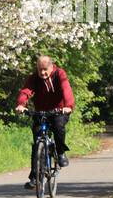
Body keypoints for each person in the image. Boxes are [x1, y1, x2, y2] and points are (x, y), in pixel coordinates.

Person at [14, 55, 74, 188]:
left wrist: (68, 106)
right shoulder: (34, 77)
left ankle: (60, 152)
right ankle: (35, 178)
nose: (42, 73)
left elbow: (66, 89)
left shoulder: (59, 74)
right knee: (37, 143)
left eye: (45, 69)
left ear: (51, 66)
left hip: (59, 111)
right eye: (40, 69)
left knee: (59, 127)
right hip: (41, 112)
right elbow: (26, 91)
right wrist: (21, 104)